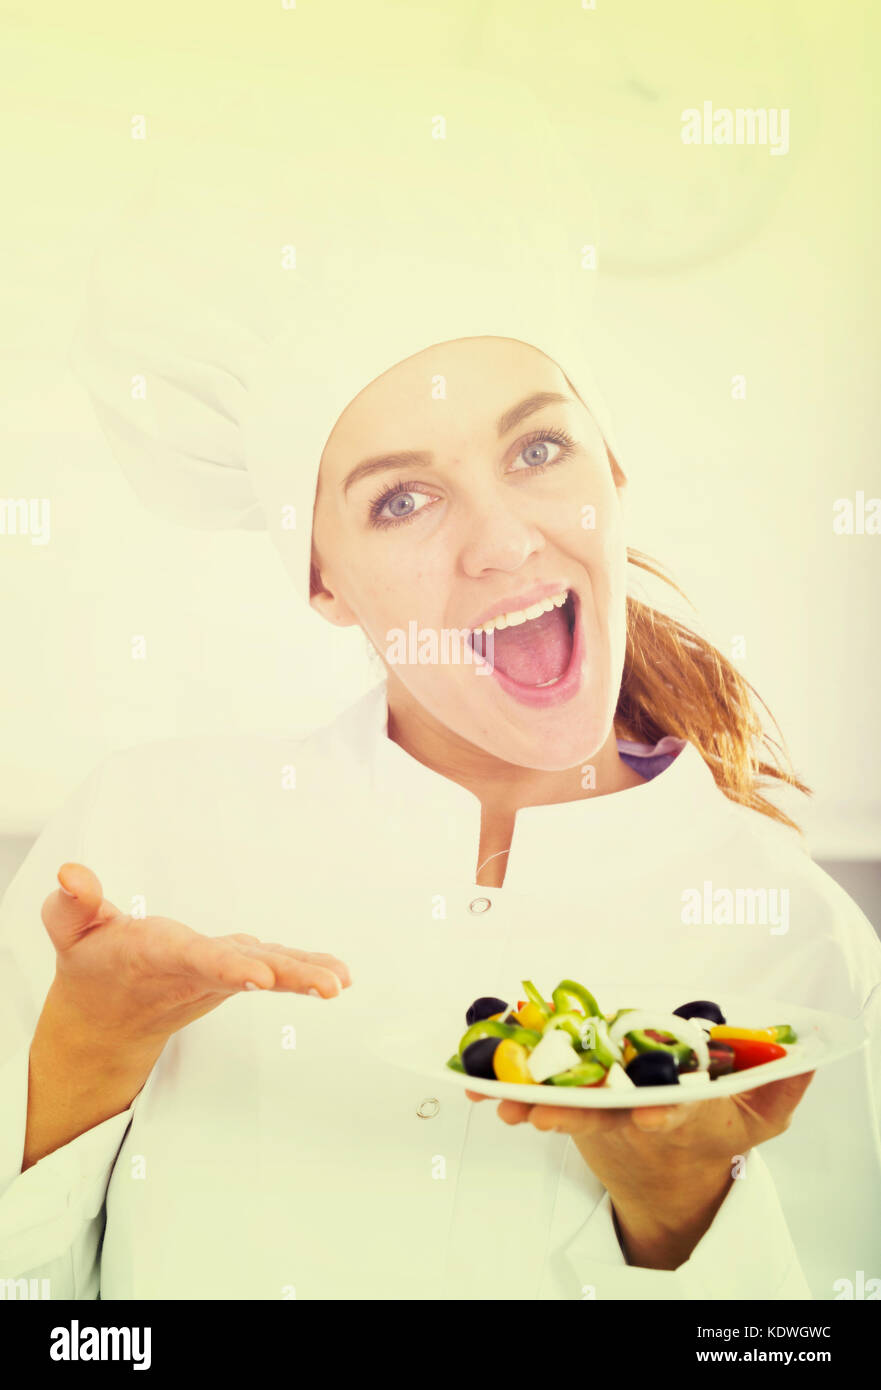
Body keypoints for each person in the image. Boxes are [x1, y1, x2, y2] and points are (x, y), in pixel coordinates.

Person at [0, 327, 879, 1301]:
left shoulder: (796, 941)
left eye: (537, 449)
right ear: (321, 579)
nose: (502, 540)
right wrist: (87, 1059)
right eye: (401, 498)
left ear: (611, 472)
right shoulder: (139, 837)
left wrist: (680, 1213)